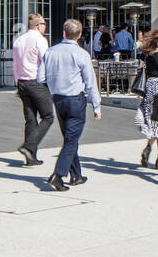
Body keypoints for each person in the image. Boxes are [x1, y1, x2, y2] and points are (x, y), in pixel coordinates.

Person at [41, 19, 101, 191]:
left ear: (64, 33)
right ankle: (58, 174)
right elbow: (90, 83)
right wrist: (96, 105)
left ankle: (76, 175)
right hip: (75, 99)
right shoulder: (81, 54)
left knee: (69, 138)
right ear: (80, 35)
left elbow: (40, 77)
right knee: (71, 139)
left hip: (58, 99)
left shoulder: (50, 52)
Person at [12, 13, 53, 166]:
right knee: (48, 117)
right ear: (38, 26)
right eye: (43, 24)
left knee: (30, 120)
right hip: (36, 82)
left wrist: (17, 82)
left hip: (22, 82)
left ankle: (31, 157)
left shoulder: (19, 40)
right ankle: (29, 146)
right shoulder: (40, 40)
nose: (45, 26)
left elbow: (15, 65)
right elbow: (45, 61)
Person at [135, 27, 158, 169]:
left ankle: (148, 148)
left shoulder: (147, 53)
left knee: (153, 122)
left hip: (150, 87)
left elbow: (142, 68)